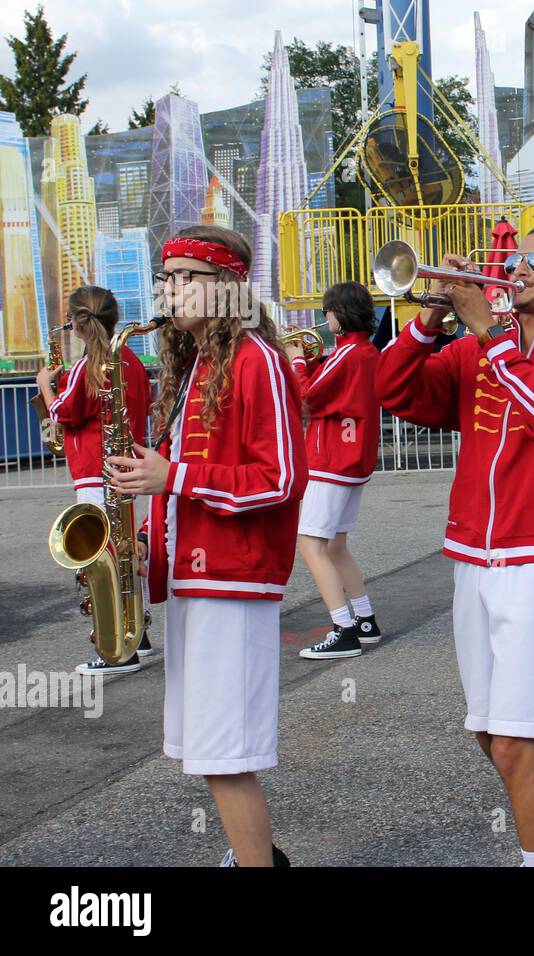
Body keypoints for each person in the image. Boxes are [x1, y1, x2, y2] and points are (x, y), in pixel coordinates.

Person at [377, 225, 534, 867]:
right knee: (488, 731)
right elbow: (394, 392)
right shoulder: (478, 351)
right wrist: (430, 320)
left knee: (515, 742)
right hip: (470, 556)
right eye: (515, 258)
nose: (517, 268)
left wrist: (490, 334)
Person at [107, 225, 306, 867]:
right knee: (208, 751)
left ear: (229, 289)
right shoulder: (198, 366)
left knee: (225, 754)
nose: (173, 289)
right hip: (199, 576)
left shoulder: (256, 359)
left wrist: (173, 476)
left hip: (235, 579)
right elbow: (177, 480)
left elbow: (280, 478)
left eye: (190, 277)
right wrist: (142, 540)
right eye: (168, 277)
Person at [37, 286, 153, 676]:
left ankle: (118, 649)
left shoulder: (92, 363)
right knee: (124, 551)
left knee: (102, 558)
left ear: (78, 323)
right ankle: (139, 633)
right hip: (126, 467)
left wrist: (44, 384)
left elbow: (65, 411)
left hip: (92, 469)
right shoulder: (129, 360)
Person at [287, 282, 383, 660]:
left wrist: (296, 361)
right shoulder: (364, 352)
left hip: (332, 460)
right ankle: (363, 619)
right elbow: (329, 384)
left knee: (311, 545)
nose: (325, 319)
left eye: (328, 311)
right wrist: (309, 363)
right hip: (352, 459)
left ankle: (342, 628)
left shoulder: (349, 353)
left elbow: (306, 397)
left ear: (339, 313)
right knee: (336, 546)